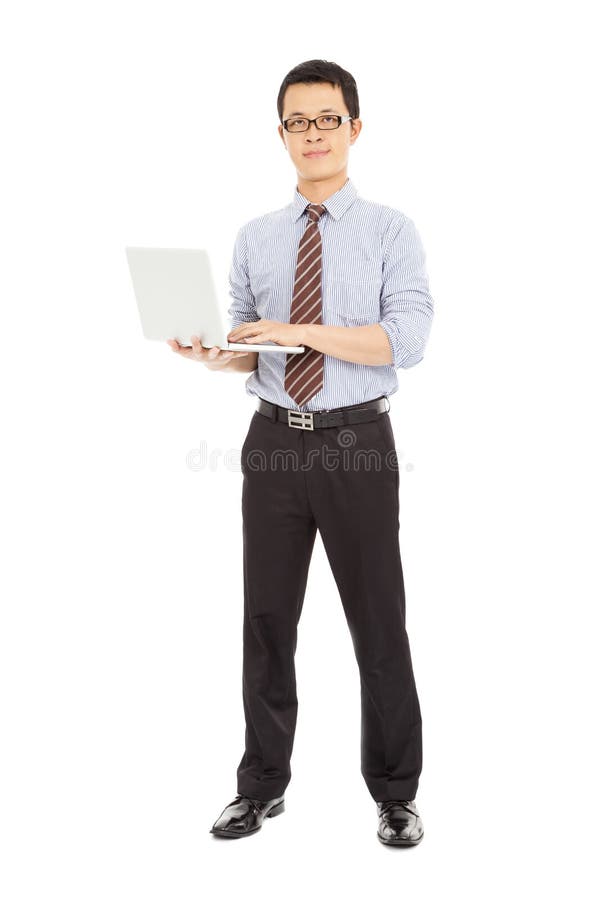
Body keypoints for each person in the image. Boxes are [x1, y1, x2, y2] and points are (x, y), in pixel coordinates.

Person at [167, 59, 434, 846]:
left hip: (357, 440)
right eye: (297, 121)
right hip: (274, 443)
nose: (312, 134)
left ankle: (396, 792)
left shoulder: (391, 230)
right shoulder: (256, 237)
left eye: (327, 118)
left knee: (377, 622)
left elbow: (406, 341)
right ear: (281, 134)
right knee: (267, 621)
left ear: (354, 127)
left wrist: (300, 331)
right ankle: (261, 785)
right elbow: (255, 348)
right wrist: (217, 355)